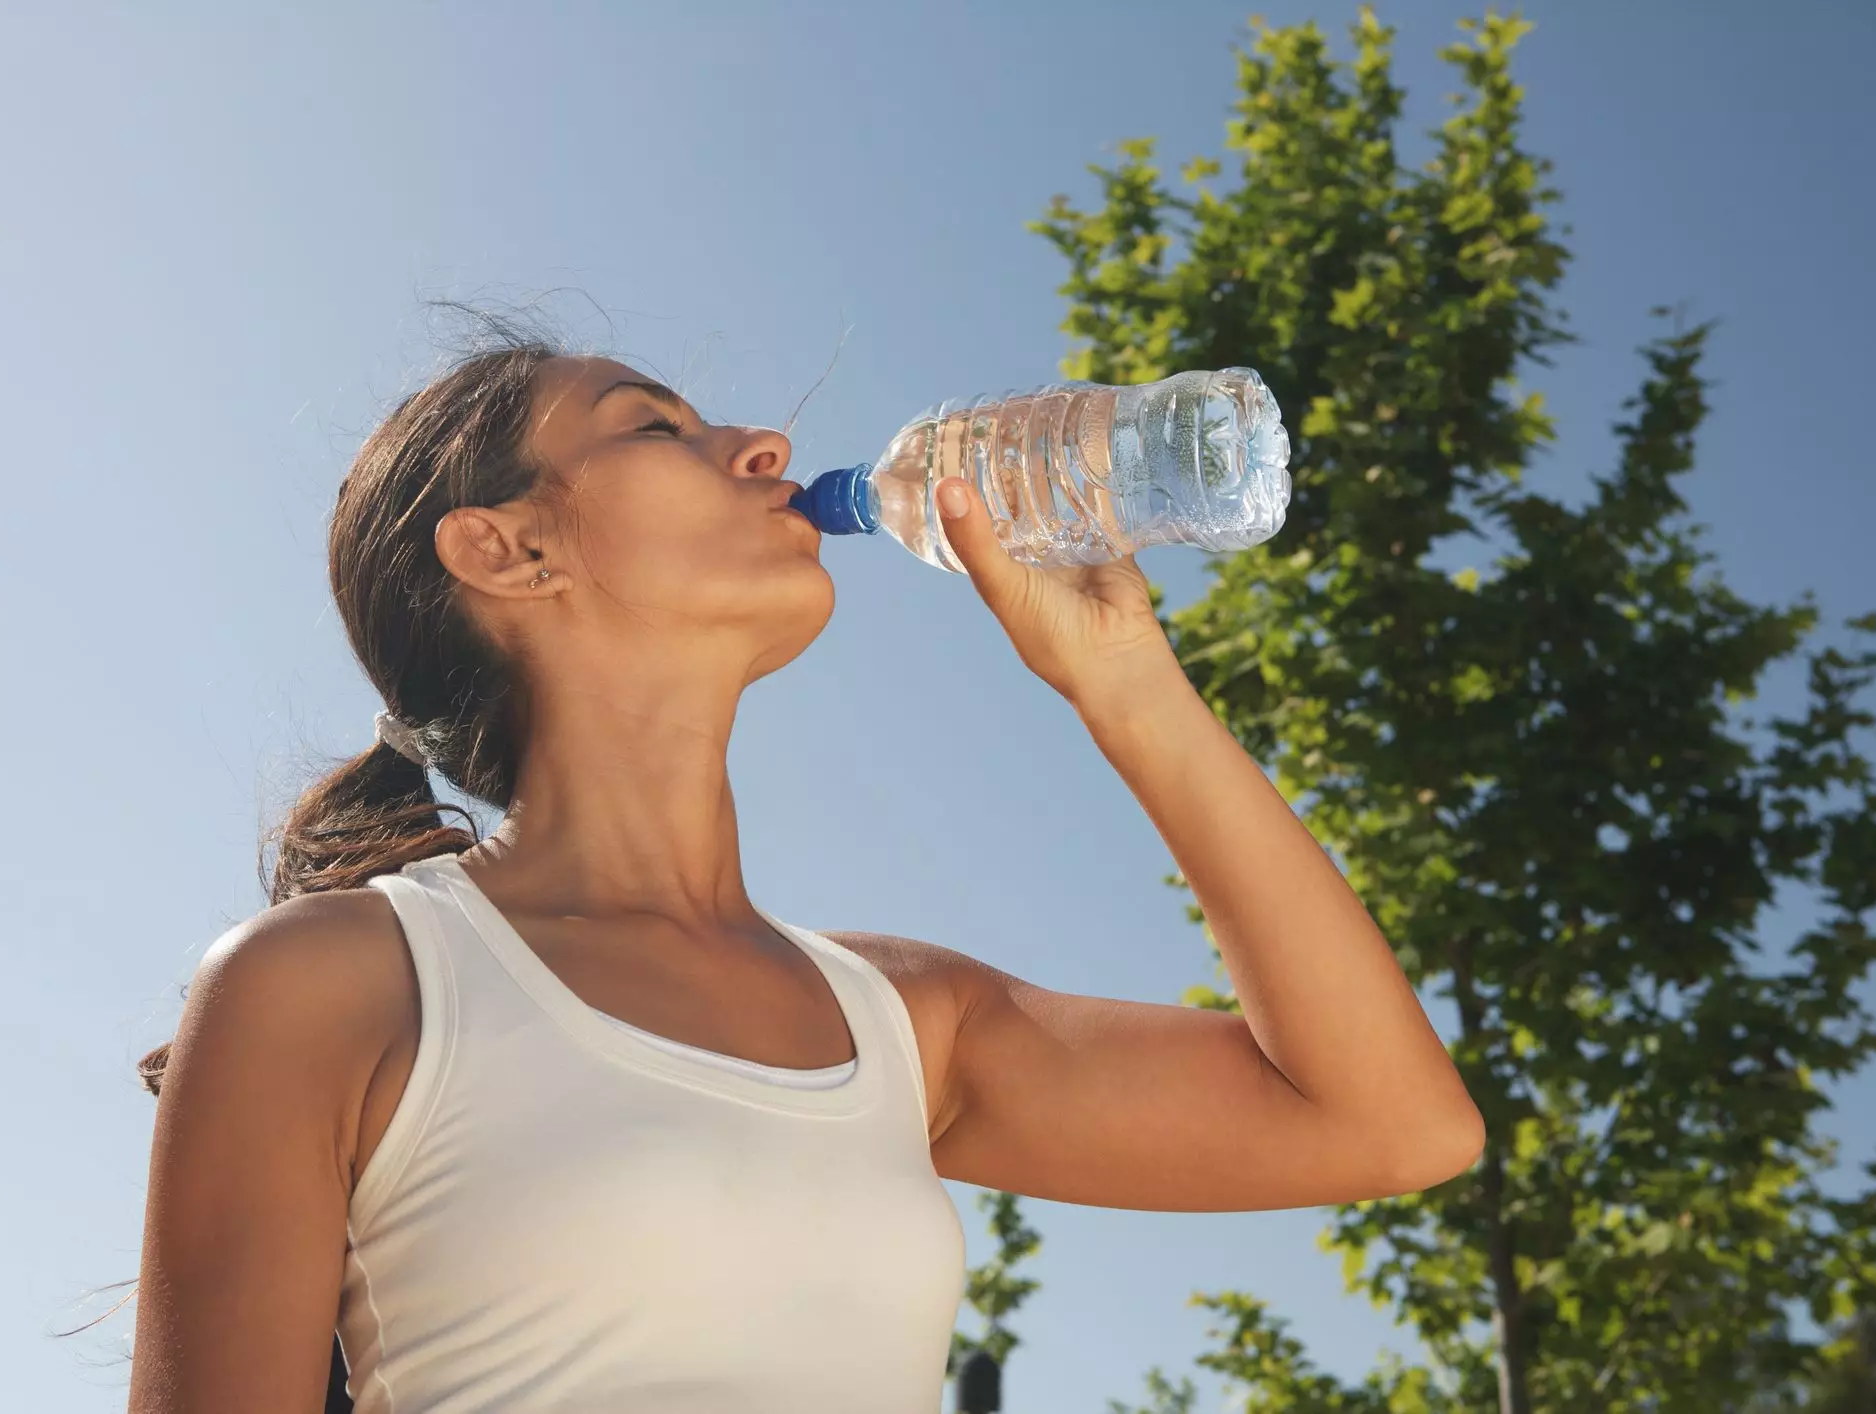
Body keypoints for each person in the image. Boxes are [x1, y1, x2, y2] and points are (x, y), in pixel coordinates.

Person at [125, 327, 1484, 1414]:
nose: (764, 446)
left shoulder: (905, 1020)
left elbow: (1393, 1122)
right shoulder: (337, 983)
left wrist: (1127, 683)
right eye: (657, 425)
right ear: (509, 547)